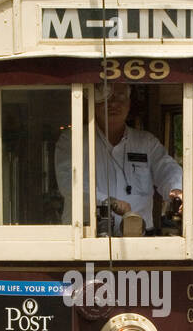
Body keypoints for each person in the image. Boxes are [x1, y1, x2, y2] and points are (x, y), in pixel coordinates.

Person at [54, 82, 183, 234]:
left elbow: (167, 168)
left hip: (139, 238)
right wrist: (108, 202)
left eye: (120, 97)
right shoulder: (73, 139)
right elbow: (70, 183)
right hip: (86, 237)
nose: (113, 103)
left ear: (129, 103)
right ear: (92, 103)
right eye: (105, 96)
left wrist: (176, 189)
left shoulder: (146, 142)